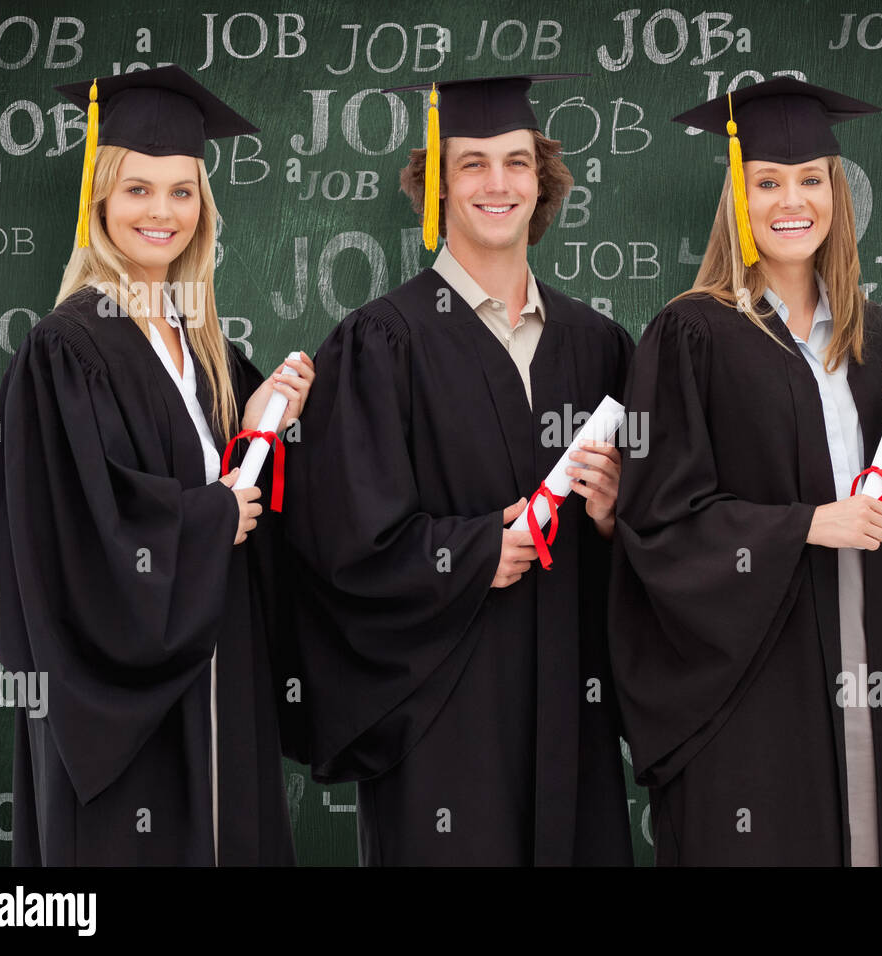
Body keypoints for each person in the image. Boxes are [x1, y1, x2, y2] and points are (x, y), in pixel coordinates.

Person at [608, 78, 882, 866]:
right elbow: (658, 520)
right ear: (738, 197)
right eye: (766, 182)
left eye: (810, 180)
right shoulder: (690, 334)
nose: (790, 200)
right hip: (754, 681)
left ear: (836, 193)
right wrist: (804, 524)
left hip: (872, 660)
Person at [284, 74, 634, 865]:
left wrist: (618, 516)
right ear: (436, 186)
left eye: (516, 162)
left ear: (541, 181)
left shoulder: (600, 345)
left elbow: (664, 542)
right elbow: (339, 544)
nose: (498, 183)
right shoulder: (381, 341)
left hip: (574, 711)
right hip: (442, 718)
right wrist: (475, 551)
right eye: (471, 163)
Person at [0, 66, 314, 865]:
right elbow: (81, 532)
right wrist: (212, 518)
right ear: (99, 202)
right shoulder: (68, 349)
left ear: (203, 207)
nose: (161, 212)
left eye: (181, 191)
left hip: (219, 670)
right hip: (124, 705)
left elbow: (240, 490)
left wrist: (265, 415)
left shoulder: (208, 350)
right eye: (138, 190)